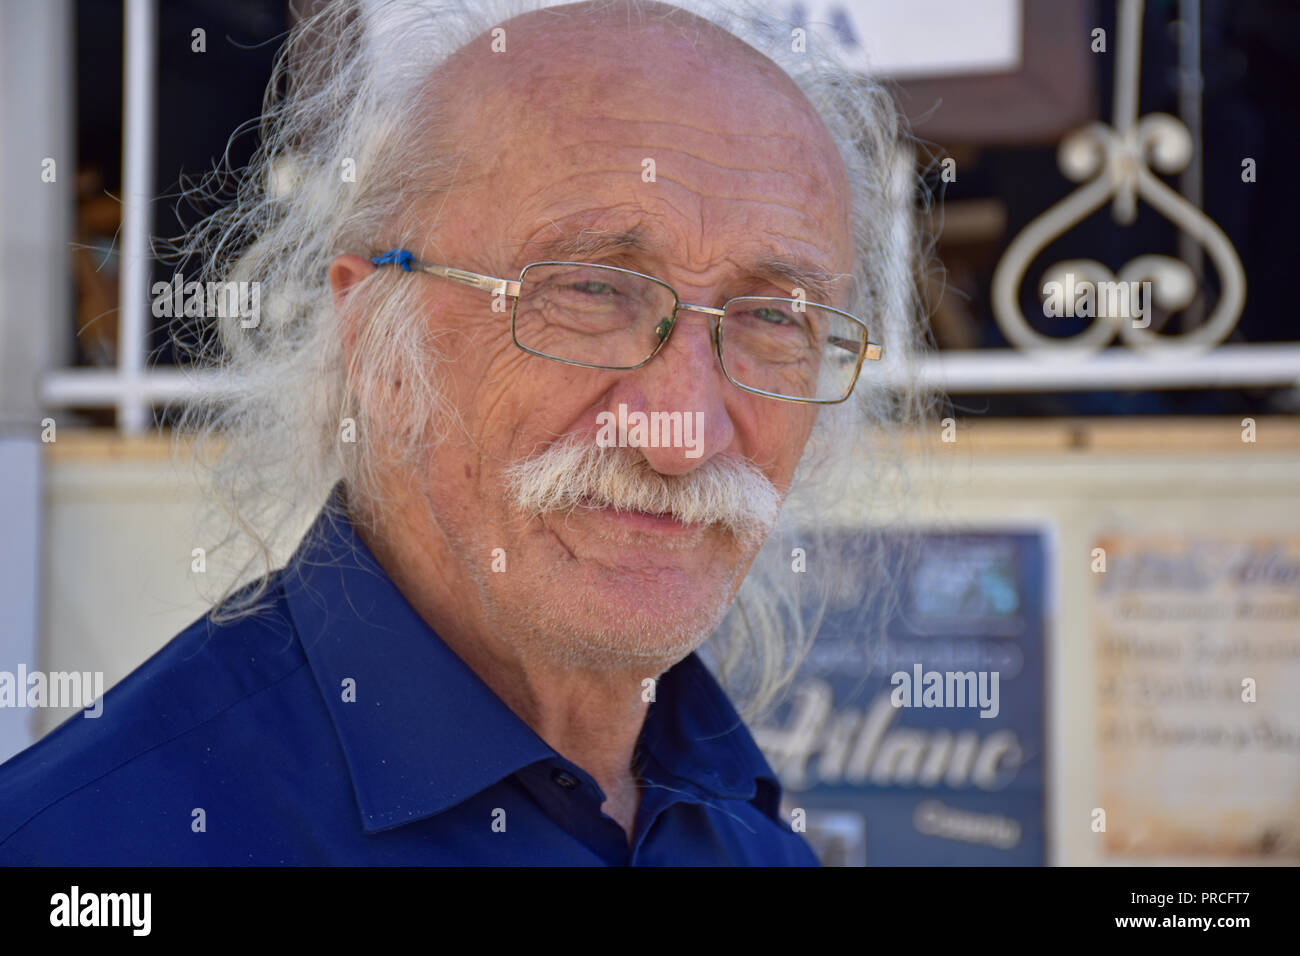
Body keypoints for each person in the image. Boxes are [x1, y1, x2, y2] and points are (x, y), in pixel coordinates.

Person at [0, 0, 925, 865]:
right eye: (590, 291)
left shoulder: (745, 825)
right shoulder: (87, 847)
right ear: (376, 344)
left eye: (773, 319)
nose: (682, 437)